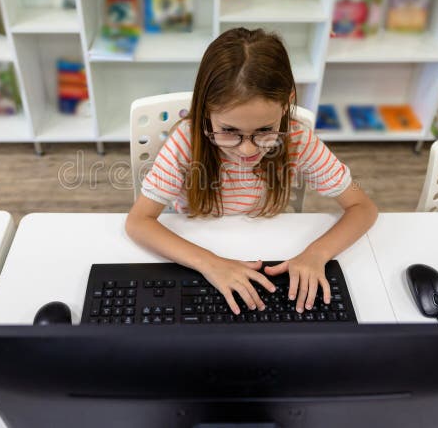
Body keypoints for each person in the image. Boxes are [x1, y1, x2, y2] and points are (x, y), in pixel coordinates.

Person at [125, 28, 378, 316]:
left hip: (268, 247)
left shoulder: (297, 138)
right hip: (197, 248)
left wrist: (317, 254)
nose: (247, 150)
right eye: (229, 131)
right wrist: (210, 262)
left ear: (286, 103)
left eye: (265, 130)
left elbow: (363, 208)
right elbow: (138, 222)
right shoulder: (186, 142)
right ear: (206, 109)